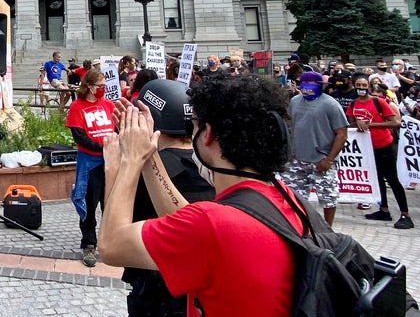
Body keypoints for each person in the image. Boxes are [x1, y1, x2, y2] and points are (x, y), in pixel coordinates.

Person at [99, 74, 303, 316]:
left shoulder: (211, 224)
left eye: (193, 125)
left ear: (208, 135)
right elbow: (186, 218)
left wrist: (126, 161)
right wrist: (148, 155)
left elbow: (111, 246)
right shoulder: (286, 199)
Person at [119, 79, 215, 316]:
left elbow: (116, 235)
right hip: (204, 289)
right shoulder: (212, 165)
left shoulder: (147, 170)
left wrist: (122, 162)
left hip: (158, 287)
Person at [347, 76, 413, 229]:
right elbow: (350, 122)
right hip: (367, 148)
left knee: (392, 179)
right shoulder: (353, 104)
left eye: (364, 85)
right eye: (358, 85)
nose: (361, 87)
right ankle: (384, 210)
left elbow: (395, 122)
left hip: (384, 145)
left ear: (369, 87)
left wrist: (371, 125)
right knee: (377, 180)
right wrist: (356, 123)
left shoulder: (379, 102)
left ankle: (405, 214)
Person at [284, 70, 347, 226]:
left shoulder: (331, 104)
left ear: (319, 85)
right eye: (303, 84)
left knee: (328, 197)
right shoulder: (295, 101)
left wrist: (329, 159)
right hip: (298, 159)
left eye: (310, 84)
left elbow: (341, 133)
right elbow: (291, 125)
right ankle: (299, 226)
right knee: (294, 196)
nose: (306, 87)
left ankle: (328, 228)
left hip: (322, 159)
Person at [66, 69, 115, 267]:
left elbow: (116, 127)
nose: (103, 90)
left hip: (110, 162)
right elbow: (80, 137)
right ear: (88, 86)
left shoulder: (108, 105)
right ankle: (88, 244)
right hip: (90, 163)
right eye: (100, 86)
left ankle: (110, 241)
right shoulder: (77, 107)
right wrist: (103, 147)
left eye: (105, 86)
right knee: (90, 204)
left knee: (110, 204)